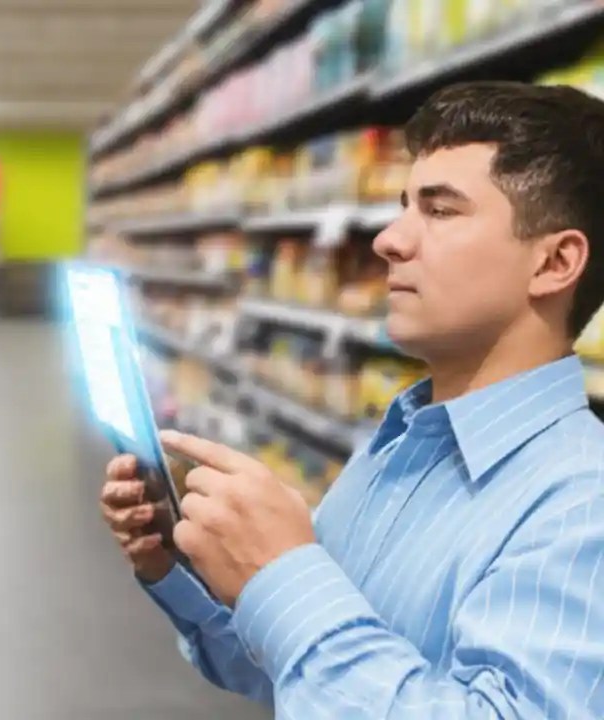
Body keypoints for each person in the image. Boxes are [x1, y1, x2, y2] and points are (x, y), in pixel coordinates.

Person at [101, 81, 604, 719]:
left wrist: (285, 570)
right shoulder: (399, 444)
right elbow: (304, 676)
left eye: (440, 210)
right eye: (402, 206)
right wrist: (177, 562)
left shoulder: (582, 504)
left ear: (555, 262)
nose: (388, 240)